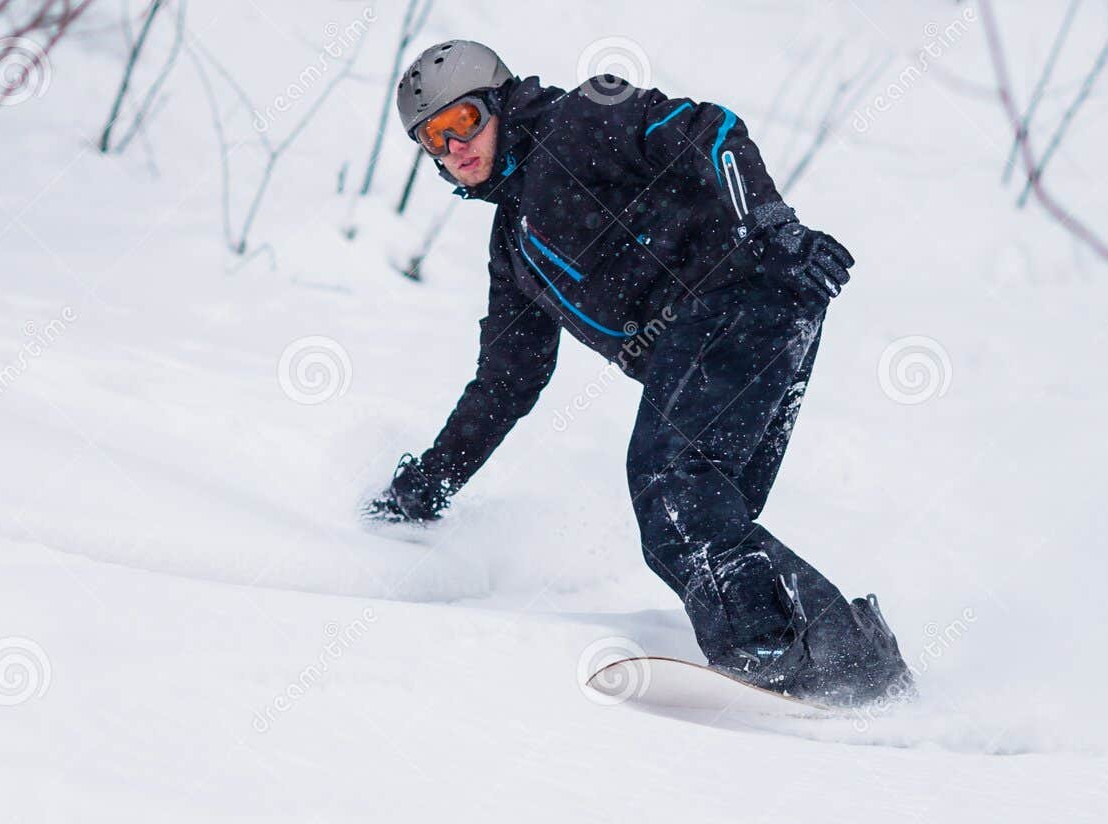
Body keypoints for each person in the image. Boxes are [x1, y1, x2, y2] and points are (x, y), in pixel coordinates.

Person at [366, 40, 912, 707]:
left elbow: (712, 131)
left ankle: (782, 658)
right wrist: (433, 478)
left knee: (670, 486)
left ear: (500, 101)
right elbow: (508, 379)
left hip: (745, 286)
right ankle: (849, 661)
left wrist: (772, 223)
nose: (454, 148)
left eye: (464, 122)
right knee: (699, 510)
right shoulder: (512, 249)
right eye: (433, 138)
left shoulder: (582, 118)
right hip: (742, 327)